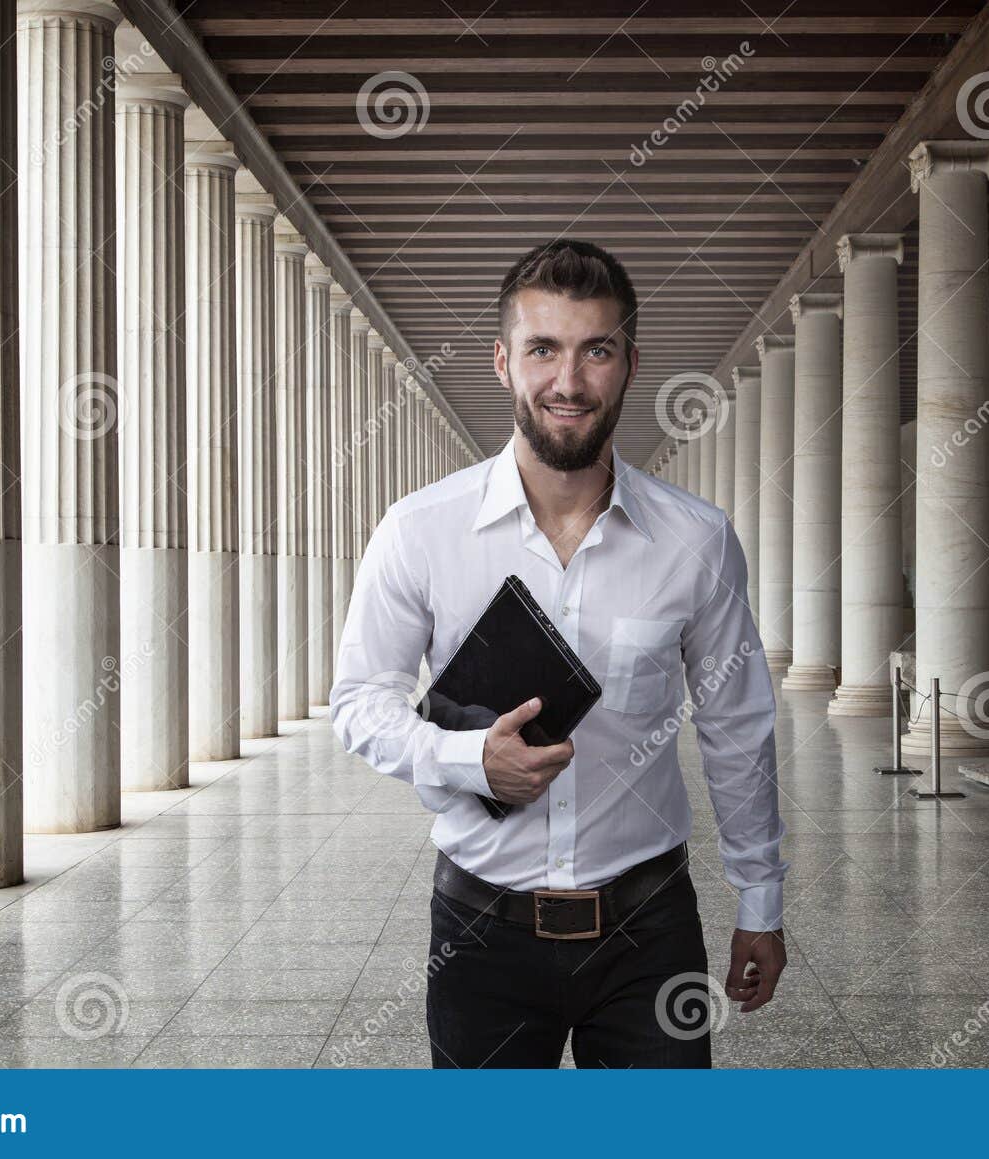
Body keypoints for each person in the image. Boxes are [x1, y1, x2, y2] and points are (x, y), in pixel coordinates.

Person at [331, 238, 787, 1068]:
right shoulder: (420, 529)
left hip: (649, 930)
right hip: (479, 934)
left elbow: (738, 725)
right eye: (543, 348)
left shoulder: (697, 539)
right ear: (503, 361)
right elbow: (359, 701)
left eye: (596, 350)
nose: (569, 382)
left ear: (630, 362)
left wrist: (760, 897)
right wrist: (468, 757)